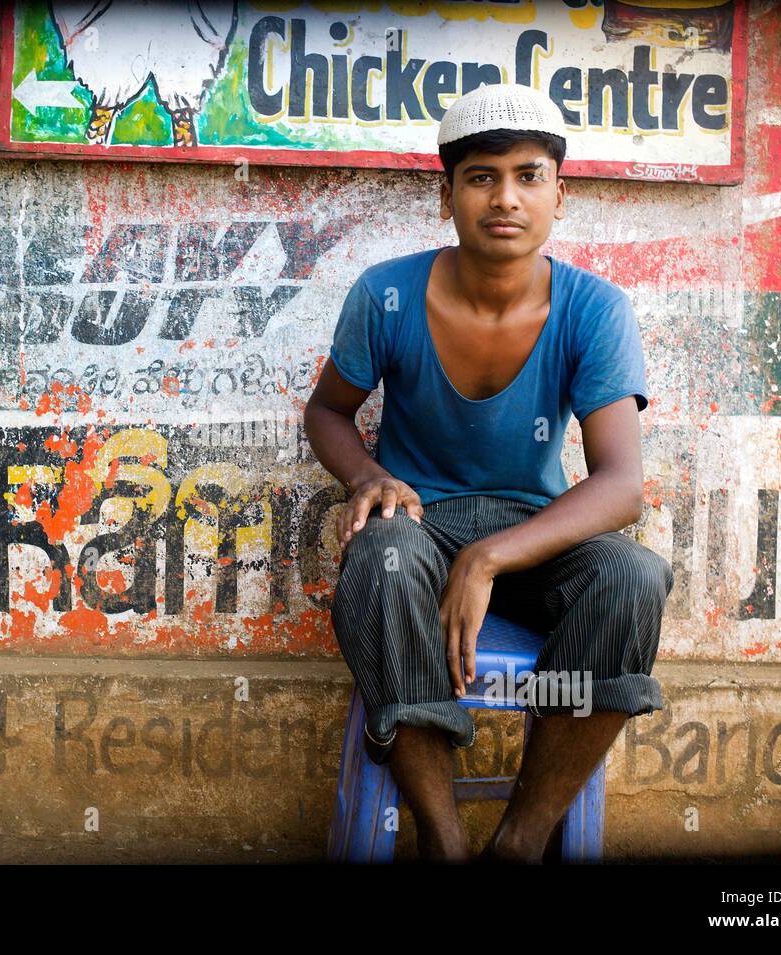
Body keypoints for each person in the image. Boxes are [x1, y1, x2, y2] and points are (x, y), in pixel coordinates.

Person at [304, 82, 674, 863]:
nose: (505, 197)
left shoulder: (594, 309)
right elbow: (327, 413)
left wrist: (492, 555)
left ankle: (521, 840)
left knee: (634, 577)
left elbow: (620, 484)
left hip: (534, 538)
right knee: (380, 556)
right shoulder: (387, 294)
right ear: (447, 196)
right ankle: (442, 837)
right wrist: (367, 475)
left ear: (558, 195)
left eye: (528, 175)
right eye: (480, 177)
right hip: (421, 527)